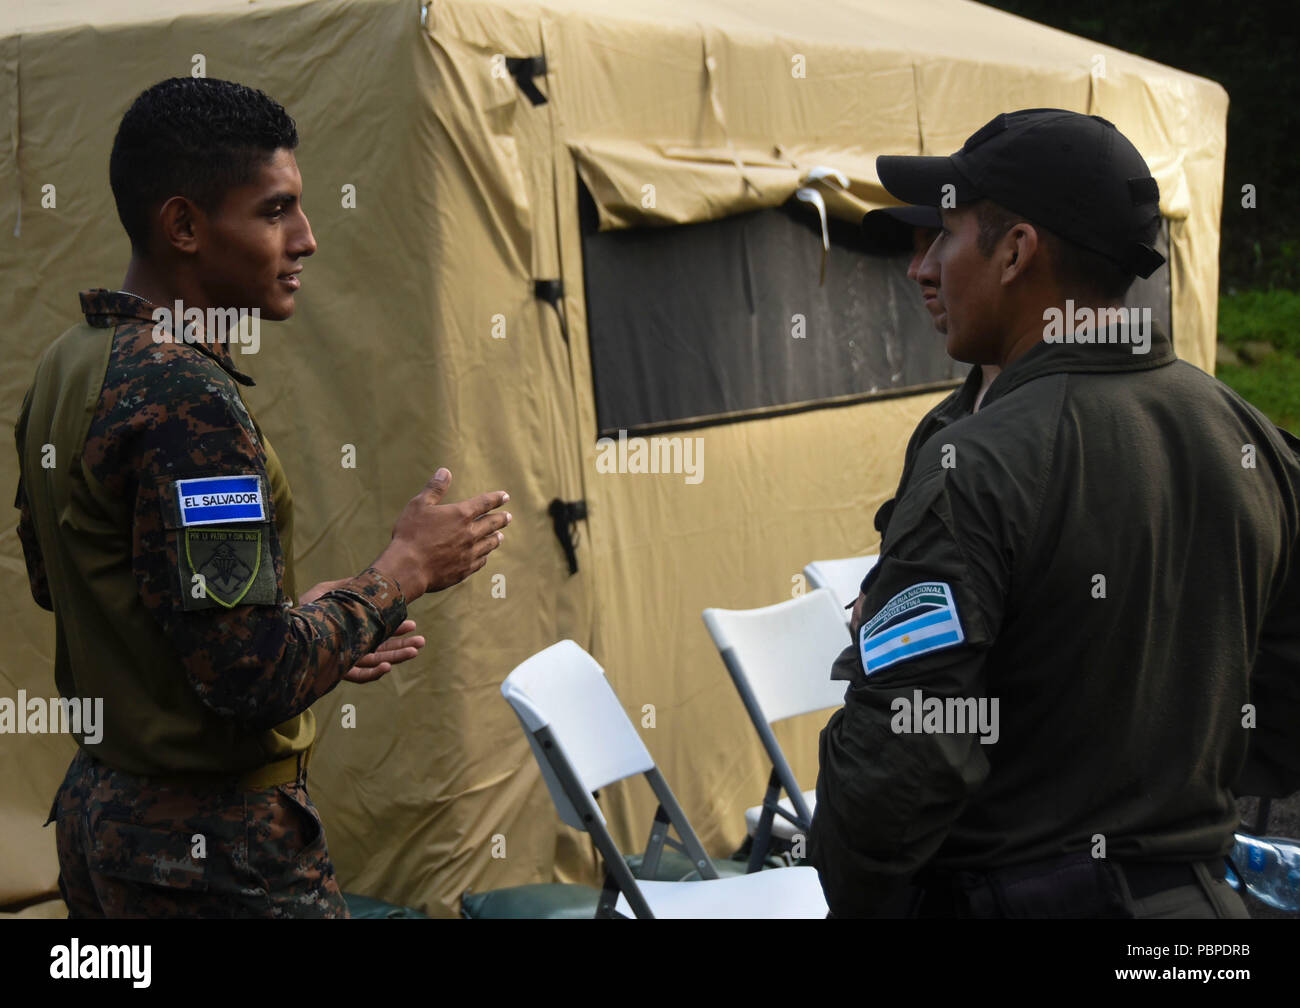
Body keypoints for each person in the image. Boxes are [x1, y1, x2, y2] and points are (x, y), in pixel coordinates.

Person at [13, 77, 511, 918]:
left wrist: (302, 622)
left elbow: (78, 589)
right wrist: (401, 573)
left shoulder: (72, 362)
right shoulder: (186, 401)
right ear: (184, 226)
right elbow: (252, 678)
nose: (307, 239)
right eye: (275, 211)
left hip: (106, 827)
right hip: (213, 857)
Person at [809, 107, 1300, 918]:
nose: (919, 269)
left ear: (1016, 251)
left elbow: (903, 758)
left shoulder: (981, 463)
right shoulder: (1244, 431)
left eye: (950, 233)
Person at [860, 206, 1000, 539]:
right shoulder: (937, 425)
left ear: (1014, 251)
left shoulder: (1058, 420)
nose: (917, 270)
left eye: (943, 238)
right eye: (919, 248)